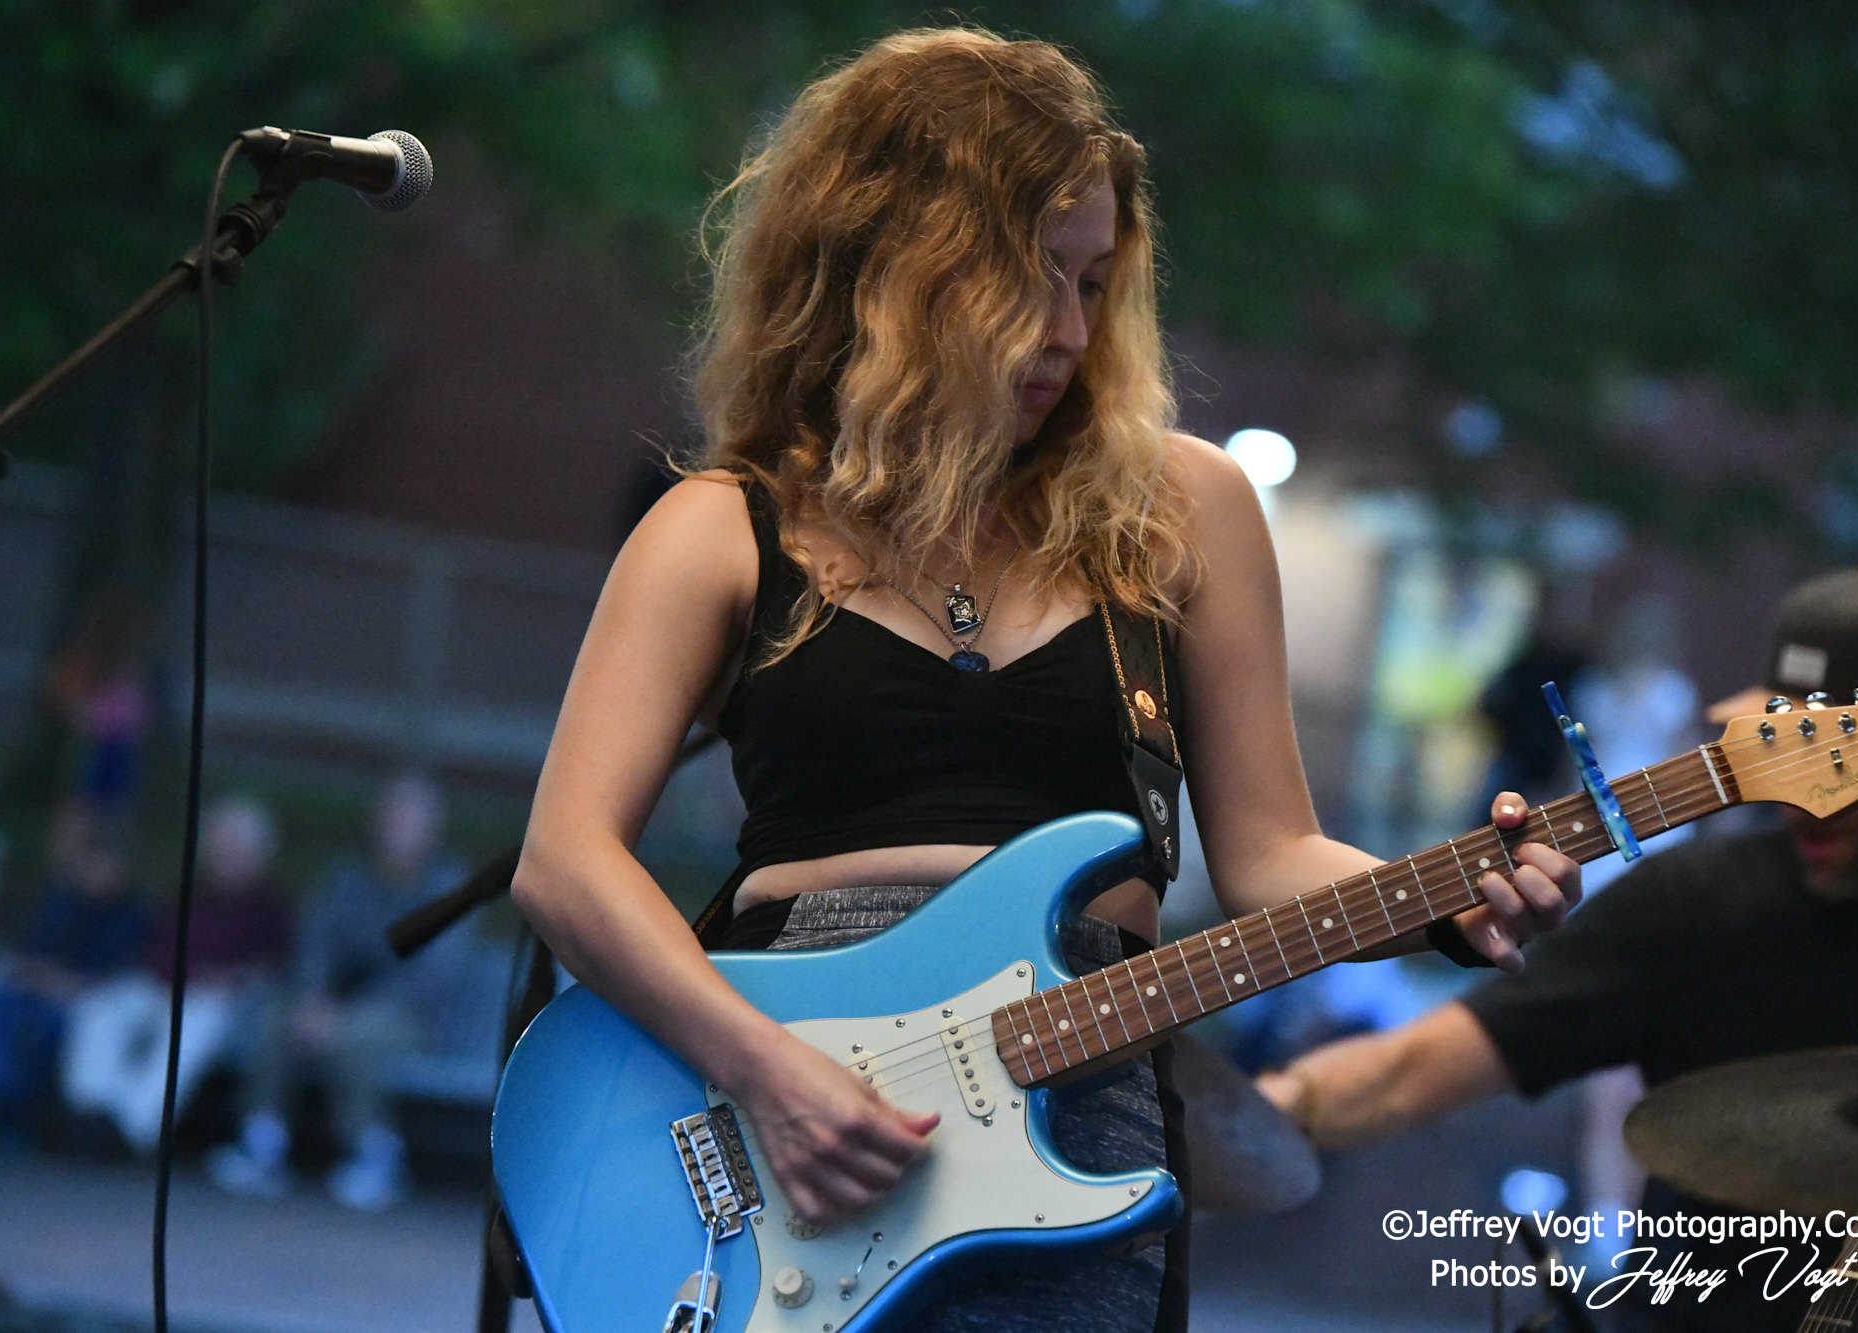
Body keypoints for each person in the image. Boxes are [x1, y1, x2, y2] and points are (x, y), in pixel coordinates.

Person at [508, 28, 1582, 1332]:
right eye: (1032, 280)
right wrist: (772, 1076)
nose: (1073, 331)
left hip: (1082, 1091)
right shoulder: (728, 523)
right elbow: (565, 862)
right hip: (766, 1093)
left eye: (1093, 281)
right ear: (893, 266)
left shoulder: (1184, 508)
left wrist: (1449, 905)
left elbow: (1273, 853)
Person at [1254, 562, 1858, 1332]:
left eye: (1845, 765)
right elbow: (1410, 1069)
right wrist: (1231, 1120)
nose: (1808, 801)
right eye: (1788, 751)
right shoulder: (1695, 904)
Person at [207, 773, 464, 1211]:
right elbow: (316, 942)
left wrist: (341, 1016)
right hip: (334, 1006)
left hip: (411, 1017)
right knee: (278, 1017)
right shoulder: (349, 879)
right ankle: (262, 1143)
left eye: (410, 821)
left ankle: (376, 1157)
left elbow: (431, 979)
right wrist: (312, 997)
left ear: (431, 831)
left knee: (356, 1037)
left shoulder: (447, 887)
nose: (398, 830)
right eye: (393, 819)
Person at [61, 794, 292, 1154]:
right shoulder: (190, 892)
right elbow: (155, 946)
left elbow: (273, 968)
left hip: (222, 1004)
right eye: (221, 845)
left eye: (236, 847)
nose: (226, 855)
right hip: (162, 985)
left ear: (258, 854)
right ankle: (92, 1110)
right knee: (101, 1005)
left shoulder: (269, 909)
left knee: (196, 1022)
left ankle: (134, 1128)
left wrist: (226, 979)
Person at [0, 797, 149, 1140]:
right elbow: (32, 951)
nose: (98, 872)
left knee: (45, 1026)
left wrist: (58, 983)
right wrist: (34, 976)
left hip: (88, 1003)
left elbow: (116, 974)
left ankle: (21, 1118)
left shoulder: (132, 913)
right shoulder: (62, 899)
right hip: (40, 990)